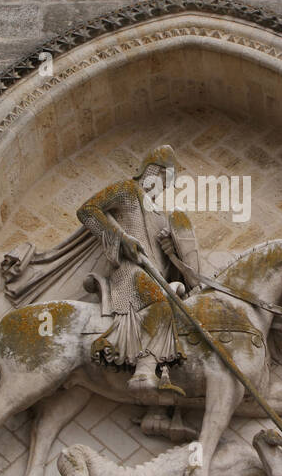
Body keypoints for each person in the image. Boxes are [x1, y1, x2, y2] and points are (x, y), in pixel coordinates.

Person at [76, 145, 202, 402]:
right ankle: (144, 370)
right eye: (163, 179)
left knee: (174, 302)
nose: (163, 187)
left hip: (156, 275)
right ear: (150, 171)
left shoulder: (160, 215)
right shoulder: (125, 190)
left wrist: (171, 252)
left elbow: (165, 260)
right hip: (130, 273)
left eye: (168, 183)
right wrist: (121, 238)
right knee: (161, 301)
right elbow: (87, 211)